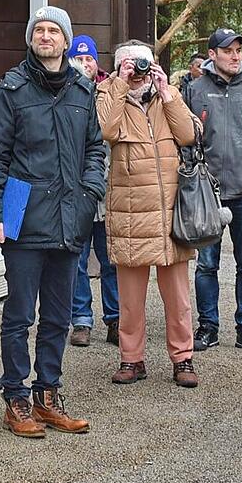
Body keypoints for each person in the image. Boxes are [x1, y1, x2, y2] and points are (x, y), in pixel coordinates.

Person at [0, 5, 108, 439]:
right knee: (18, 314)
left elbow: (95, 150)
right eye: (40, 30)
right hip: (23, 214)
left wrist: (90, 193)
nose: (46, 36)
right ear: (31, 39)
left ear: (67, 41)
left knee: (57, 316)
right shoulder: (12, 91)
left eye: (54, 30)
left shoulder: (83, 91)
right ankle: (15, 397)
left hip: (71, 216)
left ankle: (47, 394)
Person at [96, 41, 202, 388]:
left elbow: (187, 135)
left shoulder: (167, 95)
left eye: (142, 63)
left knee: (179, 299)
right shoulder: (108, 93)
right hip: (129, 212)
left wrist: (167, 92)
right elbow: (105, 132)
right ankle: (131, 360)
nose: (137, 69)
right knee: (130, 300)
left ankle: (183, 359)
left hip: (171, 212)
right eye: (128, 64)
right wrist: (120, 84)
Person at [184, 29, 242, 353]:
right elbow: (185, 140)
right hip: (207, 194)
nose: (235, 56)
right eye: (228, 51)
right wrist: (192, 181)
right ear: (212, 55)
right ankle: (207, 327)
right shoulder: (194, 91)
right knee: (207, 264)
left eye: (239, 50)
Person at [66, 34, 120, 348]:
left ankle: (115, 320)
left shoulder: (109, 92)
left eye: (90, 59)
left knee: (111, 259)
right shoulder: (64, 92)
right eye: (79, 58)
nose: (85, 64)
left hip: (108, 191)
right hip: (77, 194)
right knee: (77, 260)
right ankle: (81, 320)